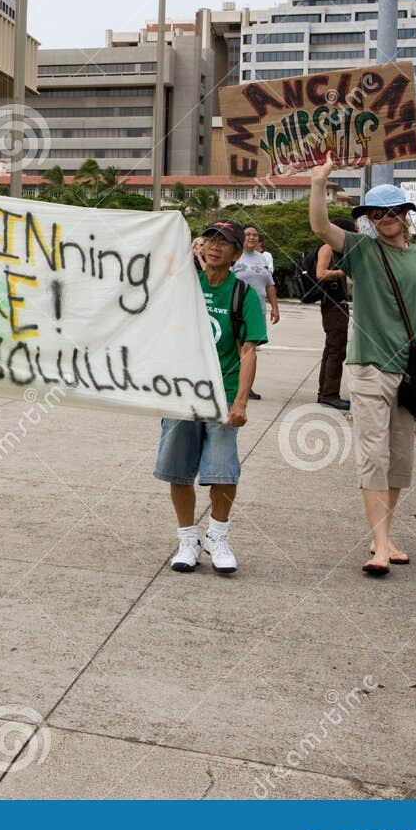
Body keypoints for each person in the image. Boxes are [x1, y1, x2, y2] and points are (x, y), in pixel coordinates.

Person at [308, 161, 416, 576]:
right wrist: (319, 183)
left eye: (392, 212)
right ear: (368, 219)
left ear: (405, 214)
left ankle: (387, 535)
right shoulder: (361, 250)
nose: (386, 219)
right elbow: (322, 228)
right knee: (373, 455)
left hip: (412, 373)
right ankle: (378, 545)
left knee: (399, 459)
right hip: (370, 368)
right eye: (377, 213)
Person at [157, 219, 268, 575]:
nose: (215, 245)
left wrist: (241, 402)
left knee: (223, 471)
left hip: (222, 395)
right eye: (210, 239)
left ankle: (218, 536)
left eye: (225, 242)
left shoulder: (243, 295)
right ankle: (187, 540)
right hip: (182, 393)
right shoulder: (185, 286)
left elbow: (249, 350)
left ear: (237, 253)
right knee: (178, 469)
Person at [230, 225, 279, 400]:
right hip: (235, 310)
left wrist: (275, 307)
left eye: (255, 235)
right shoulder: (234, 256)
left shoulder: (262, 258)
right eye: (248, 234)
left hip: (257, 311)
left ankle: (246, 387)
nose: (251, 237)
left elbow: (269, 284)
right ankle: (233, 385)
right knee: (235, 349)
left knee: (251, 350)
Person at [314, 217, 357, 410]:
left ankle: (325, 392)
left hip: (337, 304)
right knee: (336, 350)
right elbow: (321, 273)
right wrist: (343, 271)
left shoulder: (337, 249)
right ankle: (329, 395)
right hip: (332, 305)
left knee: (332, 349)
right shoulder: (328, 247)